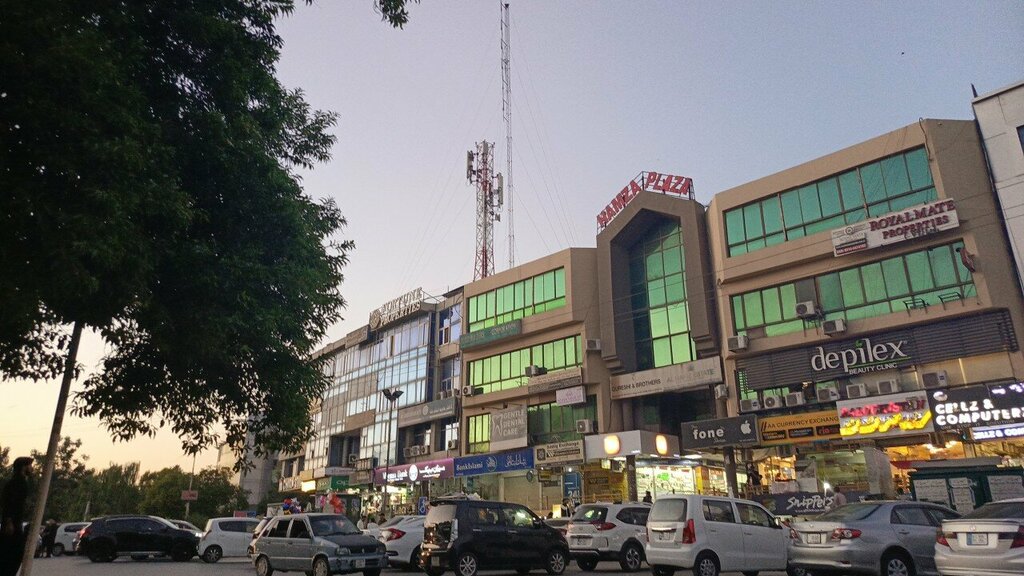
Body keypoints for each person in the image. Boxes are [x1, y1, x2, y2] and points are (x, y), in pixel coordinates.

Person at [0, 457, 33, 576]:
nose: (31, 468)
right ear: (24, 467)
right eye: (29, 465)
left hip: (15, 523)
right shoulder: (17, 483)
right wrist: (9, 521)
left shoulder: (19, 482)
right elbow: (9, 503)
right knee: (12, 554)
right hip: (12, 524)